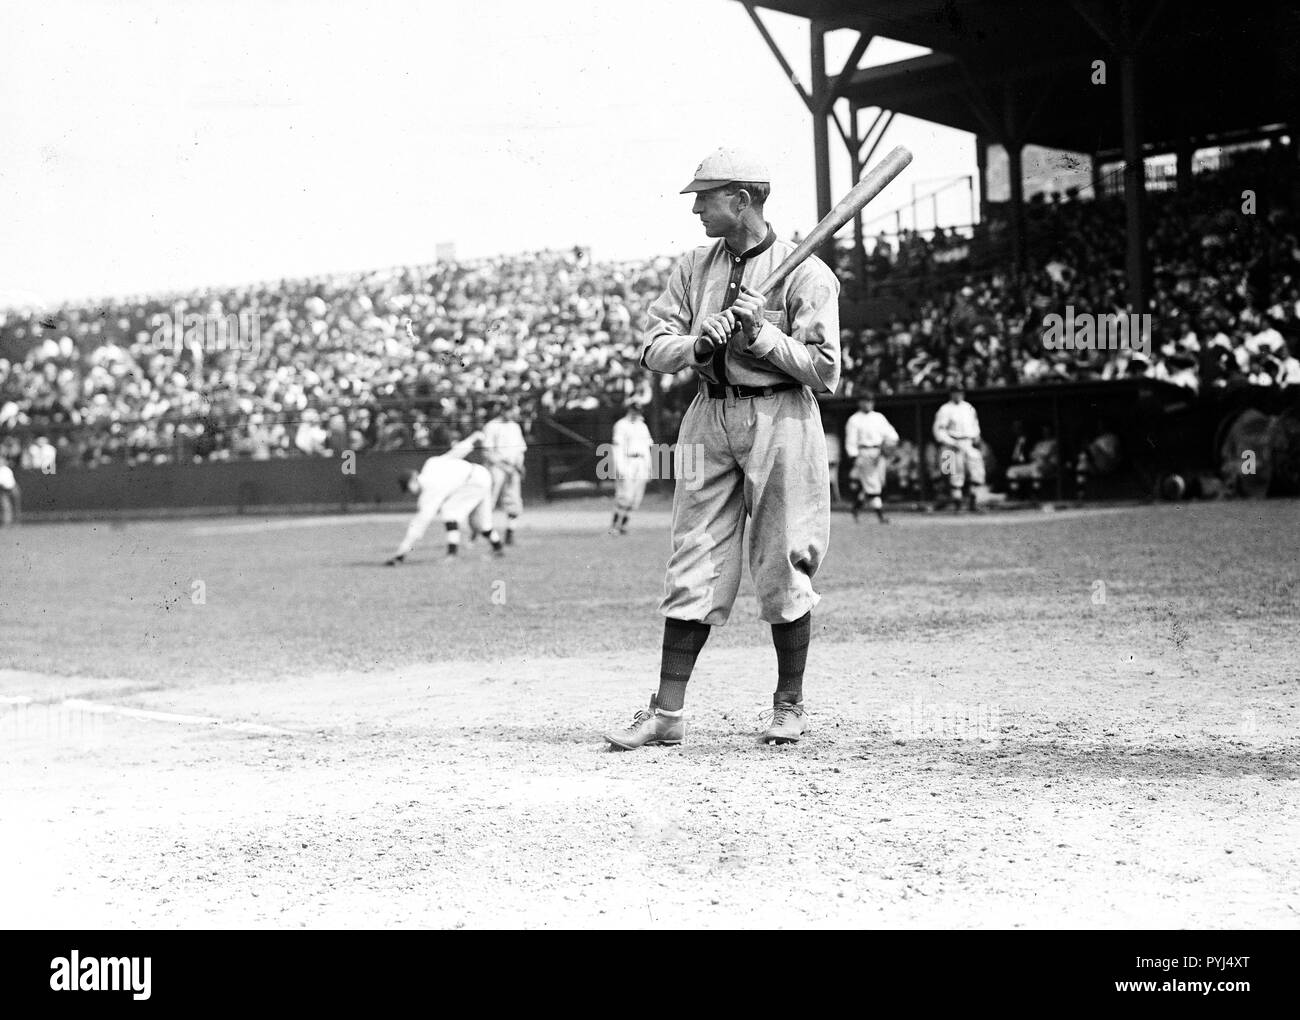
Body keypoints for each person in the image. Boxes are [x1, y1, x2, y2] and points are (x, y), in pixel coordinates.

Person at [602, 145, 840, 750]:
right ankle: (667, 714)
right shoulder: (691, 268)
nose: (696, 210)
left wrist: (762, 335)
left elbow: (824, 370)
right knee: (692, 555)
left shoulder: (808, 272)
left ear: (742, 198)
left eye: (705, 198)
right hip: (708, 413)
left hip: (781, 415)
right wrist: (696, 343)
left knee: (783, 556)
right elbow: (653, 348)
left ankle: (789, 705)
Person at [385, 431, 504, 565]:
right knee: (481, 521)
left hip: (473, 482)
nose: (410, 492)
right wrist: (472, 438)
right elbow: (454, 453)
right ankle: (498, 548)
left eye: (408, 488)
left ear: (412, 482)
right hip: (481, 473)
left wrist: (400, 554)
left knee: (449, 511)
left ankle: (452, 554)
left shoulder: (429, 491)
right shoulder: (430, 463)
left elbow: (420, 523)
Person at [844, 392, 899, 523]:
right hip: (864, 453)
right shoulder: (854, 419)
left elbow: (892, 435)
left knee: (874, 483)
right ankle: (881, 516)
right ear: (860, 402)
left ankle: (855, 509)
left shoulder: (879, 417)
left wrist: (889, 445)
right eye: (865, 400)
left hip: (879, 452)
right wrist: (854, 456)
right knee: (873, 485)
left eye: (870, 400)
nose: (868, 403)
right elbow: (850, 441)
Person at [932, 383, 986, 511]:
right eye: (955, 392)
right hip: (953, 444)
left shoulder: (969, 407)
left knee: (978, 472)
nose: (958, 394)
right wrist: (950, 442)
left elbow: (975, 425)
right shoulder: (945, 409)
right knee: (955, 475)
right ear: (951, 394)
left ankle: (973, 503)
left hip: (969, 442)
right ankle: (958, 505)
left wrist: (977, 436)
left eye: (960, 392)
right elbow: (939, 431)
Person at [481, 401, 527, 545]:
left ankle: (510, 533)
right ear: (502, 411)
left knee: (513, 501)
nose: (513, 414)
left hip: (513, 467)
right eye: (510, 410)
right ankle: (482, 533)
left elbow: (520, 449)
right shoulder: (491, 426)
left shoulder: (515, 426)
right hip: (497, 467)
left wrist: (519, 464)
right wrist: (503, 465)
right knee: (489, 501)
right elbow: (487, 452)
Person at [608, 400, 654, 535]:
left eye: (638, 411)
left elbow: (646, 448)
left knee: (636, 498)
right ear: (629, 410)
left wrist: (649, 467)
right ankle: (614, 526)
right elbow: (618, 447)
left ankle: (623, 525)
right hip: (627, 460)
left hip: (641, 461)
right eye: (634, 411)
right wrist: (620, 468)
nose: (636, 413)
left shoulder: (642, 426)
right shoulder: (621, 425)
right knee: (625, 495)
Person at [0, 458, 19, 526]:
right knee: (6, 507)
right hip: (3, 491)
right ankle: (7, 523)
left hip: (13, 488)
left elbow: (10, 480)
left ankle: (17, 522)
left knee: (16, 505)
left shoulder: (6, 469)